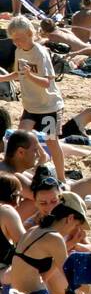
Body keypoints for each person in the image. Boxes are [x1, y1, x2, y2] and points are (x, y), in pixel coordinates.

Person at [0, 16, 66, 182]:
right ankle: (25, 166)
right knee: (20, 137)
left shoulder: (40, 53)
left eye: (19, 39)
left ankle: (62, 178)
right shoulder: (19, 51)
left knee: (52, 142)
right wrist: (2, 78)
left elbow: (46, 82)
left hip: (49, 106)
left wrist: (30, 75)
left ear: (30, 34)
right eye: (14, 40)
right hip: (30, 106)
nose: (16, 43)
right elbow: (18, 74)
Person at [6, 191, 88, 294]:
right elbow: (71, 277)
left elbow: (44, 276)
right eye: (76, 225)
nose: (73, 229)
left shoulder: (35, 230)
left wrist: (68, 246)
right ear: (70, 218)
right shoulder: (54, 238)